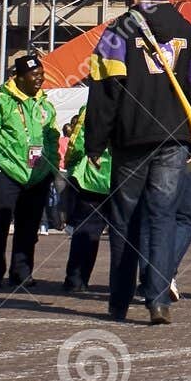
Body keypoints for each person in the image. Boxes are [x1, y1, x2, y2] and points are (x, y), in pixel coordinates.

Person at [85, 0, 191, 325]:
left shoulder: (119, 30)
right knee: (163, 217)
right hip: (174, 139)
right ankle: (158, 302)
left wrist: (95, 141)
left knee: (124, 220)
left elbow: (105, 89)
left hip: (132, 138)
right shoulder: (186, 29)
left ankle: (119, 301)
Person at [0, 52, 60, 289]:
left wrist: (51, 168)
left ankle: (21, 272)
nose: (39, 78)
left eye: (41, 74)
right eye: (34, 74)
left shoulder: (46, 106)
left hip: (37, 175)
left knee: (29, 227)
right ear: (19, 77)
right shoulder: (0, 102)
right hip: (7, 173)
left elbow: (52, 138)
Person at [62, 106, 109, 294]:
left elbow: (77, 141)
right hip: (127, 177)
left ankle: (76, 279)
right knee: (128, 235)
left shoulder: (92, 107)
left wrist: (72, 164)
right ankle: (125, 284)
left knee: (87, 231)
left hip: (95, 177)